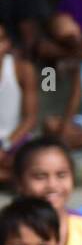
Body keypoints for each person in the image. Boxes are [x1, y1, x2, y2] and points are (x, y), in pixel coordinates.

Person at [0, 24, 39, 186]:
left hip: (15, 140)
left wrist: (6, 145)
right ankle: (16, 179)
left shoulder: (23, 70)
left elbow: (30, 118)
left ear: (7, 43)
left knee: (27, 159)